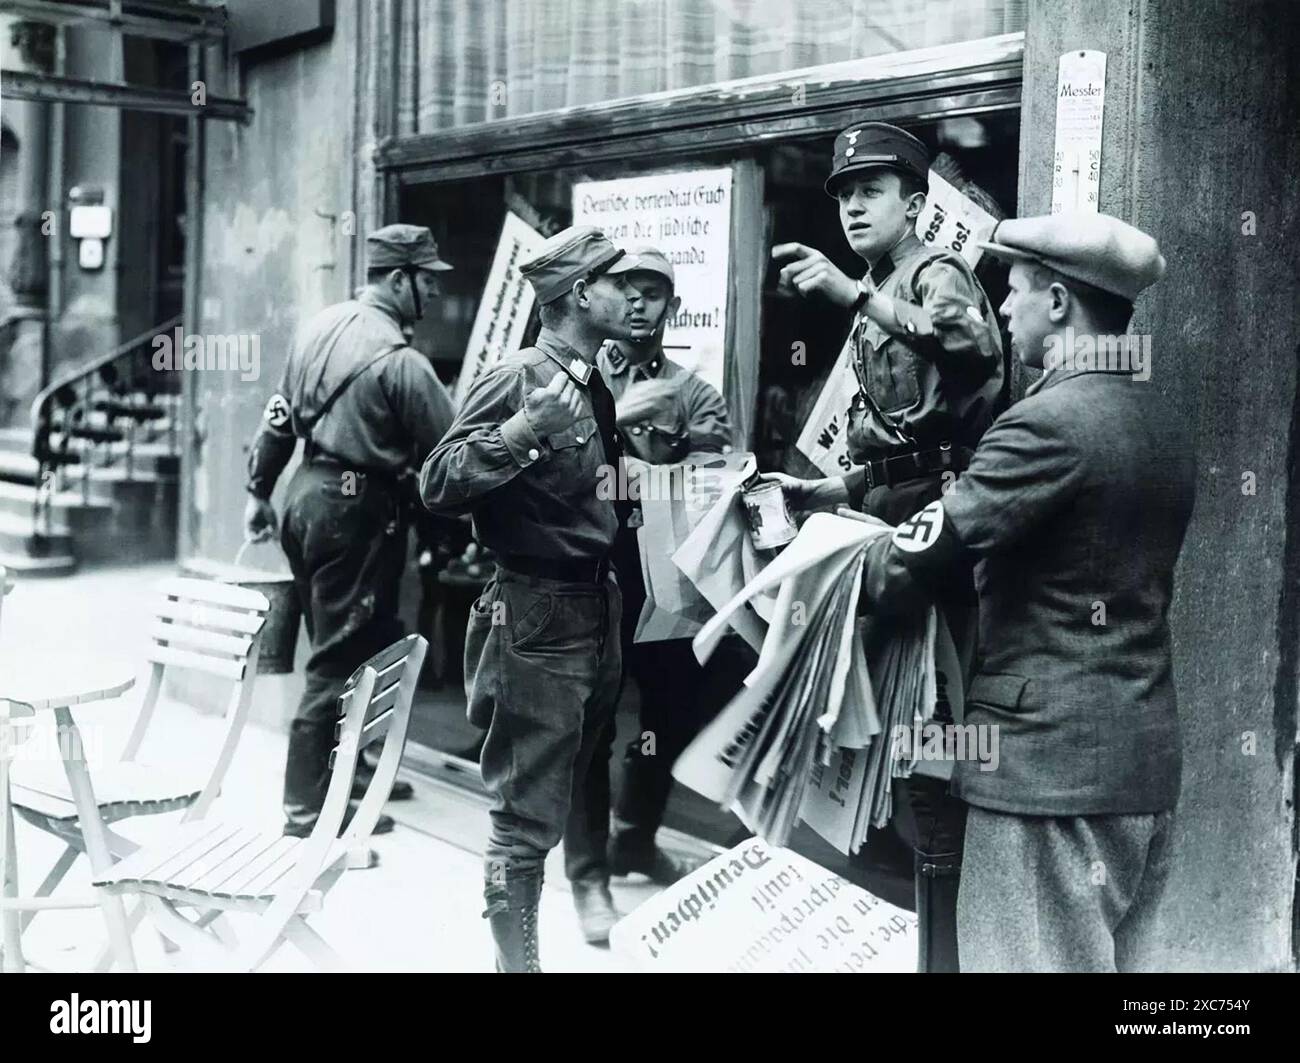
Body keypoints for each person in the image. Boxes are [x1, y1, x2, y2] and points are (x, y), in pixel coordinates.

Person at [858, 210, 1192, 971]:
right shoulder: (1163, 422)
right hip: (1141, 766)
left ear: (1060, 303)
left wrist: (819, 565)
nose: (1001, 310)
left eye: (1015, 291)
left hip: (1045, 778)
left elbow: (922, 554)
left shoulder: (1044, 422)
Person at [764, 121, 1004, 971]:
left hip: (950, 544)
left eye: (871, 191)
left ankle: (949, 953)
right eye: (844, 195)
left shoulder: (932, 276)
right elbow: (897, 447)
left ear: (914, 201)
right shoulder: (883, 286)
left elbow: (970, 348)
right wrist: (822, 492)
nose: (853, 207)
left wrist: (848, 294)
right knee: (898, 746)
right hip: (897, 523)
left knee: (934, 755)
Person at [419, 226, 641, 972]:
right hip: (535, 611)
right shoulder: (519, 378)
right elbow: (438, 480)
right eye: (619, 283)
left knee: (567, 777)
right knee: (521, 819)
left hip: (592, 606)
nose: (633, 297)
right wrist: (522, 432)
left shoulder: (589, 376)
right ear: (581, 293)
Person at [244, 223, 455, 838]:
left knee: (376, 641)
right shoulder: (402, 363)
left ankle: (353, 770)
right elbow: (453, 450)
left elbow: (279, 417)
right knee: (339, 659)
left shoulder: (316, 329)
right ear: (398, 279)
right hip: (357, 511)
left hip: (305, 498)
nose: (435, 295)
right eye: (427, 282)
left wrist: (259, 492)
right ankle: (306, 812)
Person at [561, 248, 745, 942]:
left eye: (654, 294)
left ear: (671, 305)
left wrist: (647, 469)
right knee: (593, 719)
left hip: (667, 570)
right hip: (595, 565)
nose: (639, 306)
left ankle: (634, 837)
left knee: (668, 711)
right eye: (628, 292)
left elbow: (716, 468)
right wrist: (619, 457)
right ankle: (587, 877)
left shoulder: (691, 388)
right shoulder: (578, 378)